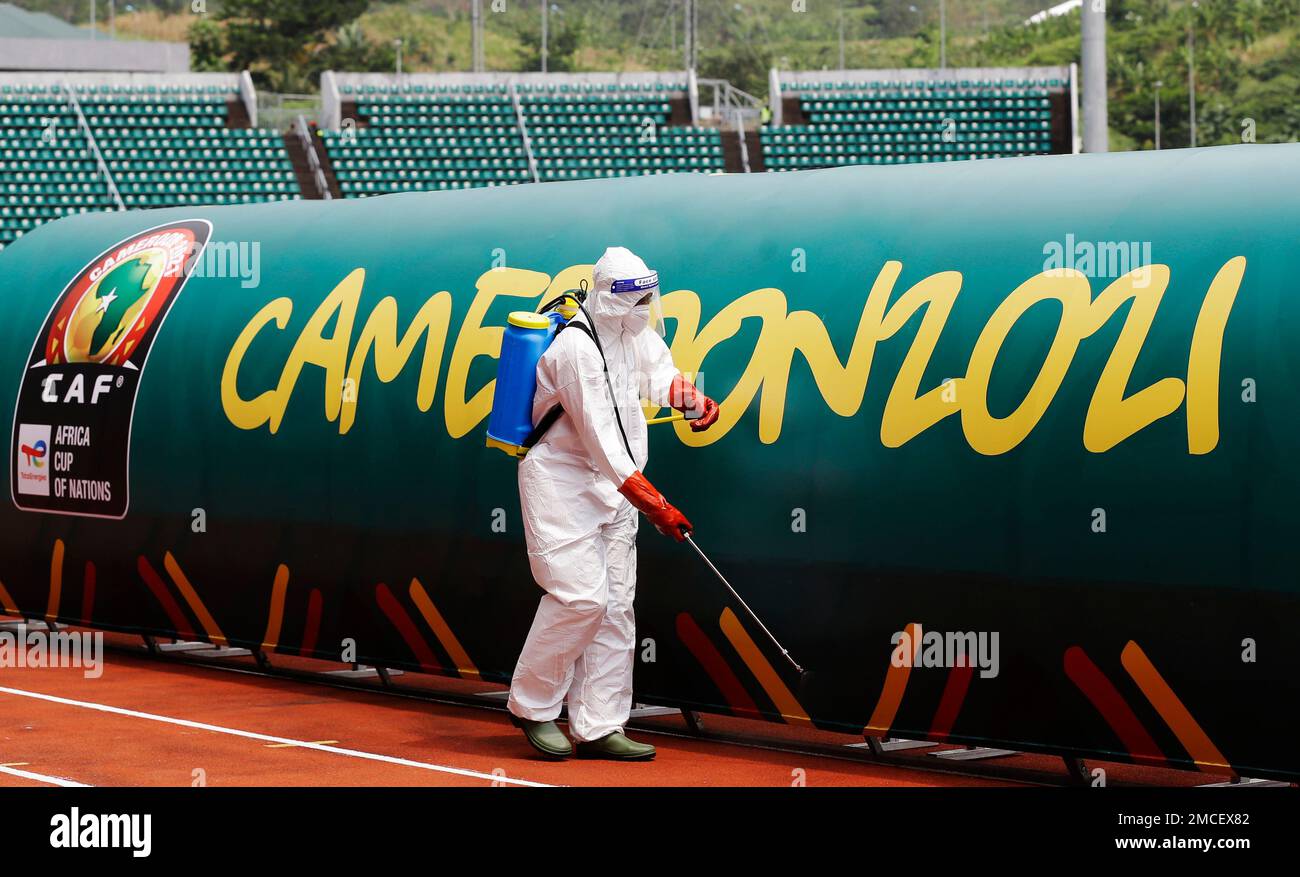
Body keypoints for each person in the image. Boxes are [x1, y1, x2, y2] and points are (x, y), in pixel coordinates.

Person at [506, 247, 720, 760]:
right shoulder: (575, 351)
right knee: (580, 599)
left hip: (619, 490)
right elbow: (604, 444)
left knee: (617, 607)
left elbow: (659, 374)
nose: (643, 308)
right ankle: (532, 707)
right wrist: (658, 507)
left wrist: (692, 401)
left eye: (648, 297)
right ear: (604, 297)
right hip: (563, 485)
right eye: (632, 299)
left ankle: (600, 724)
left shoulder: (633, 331)